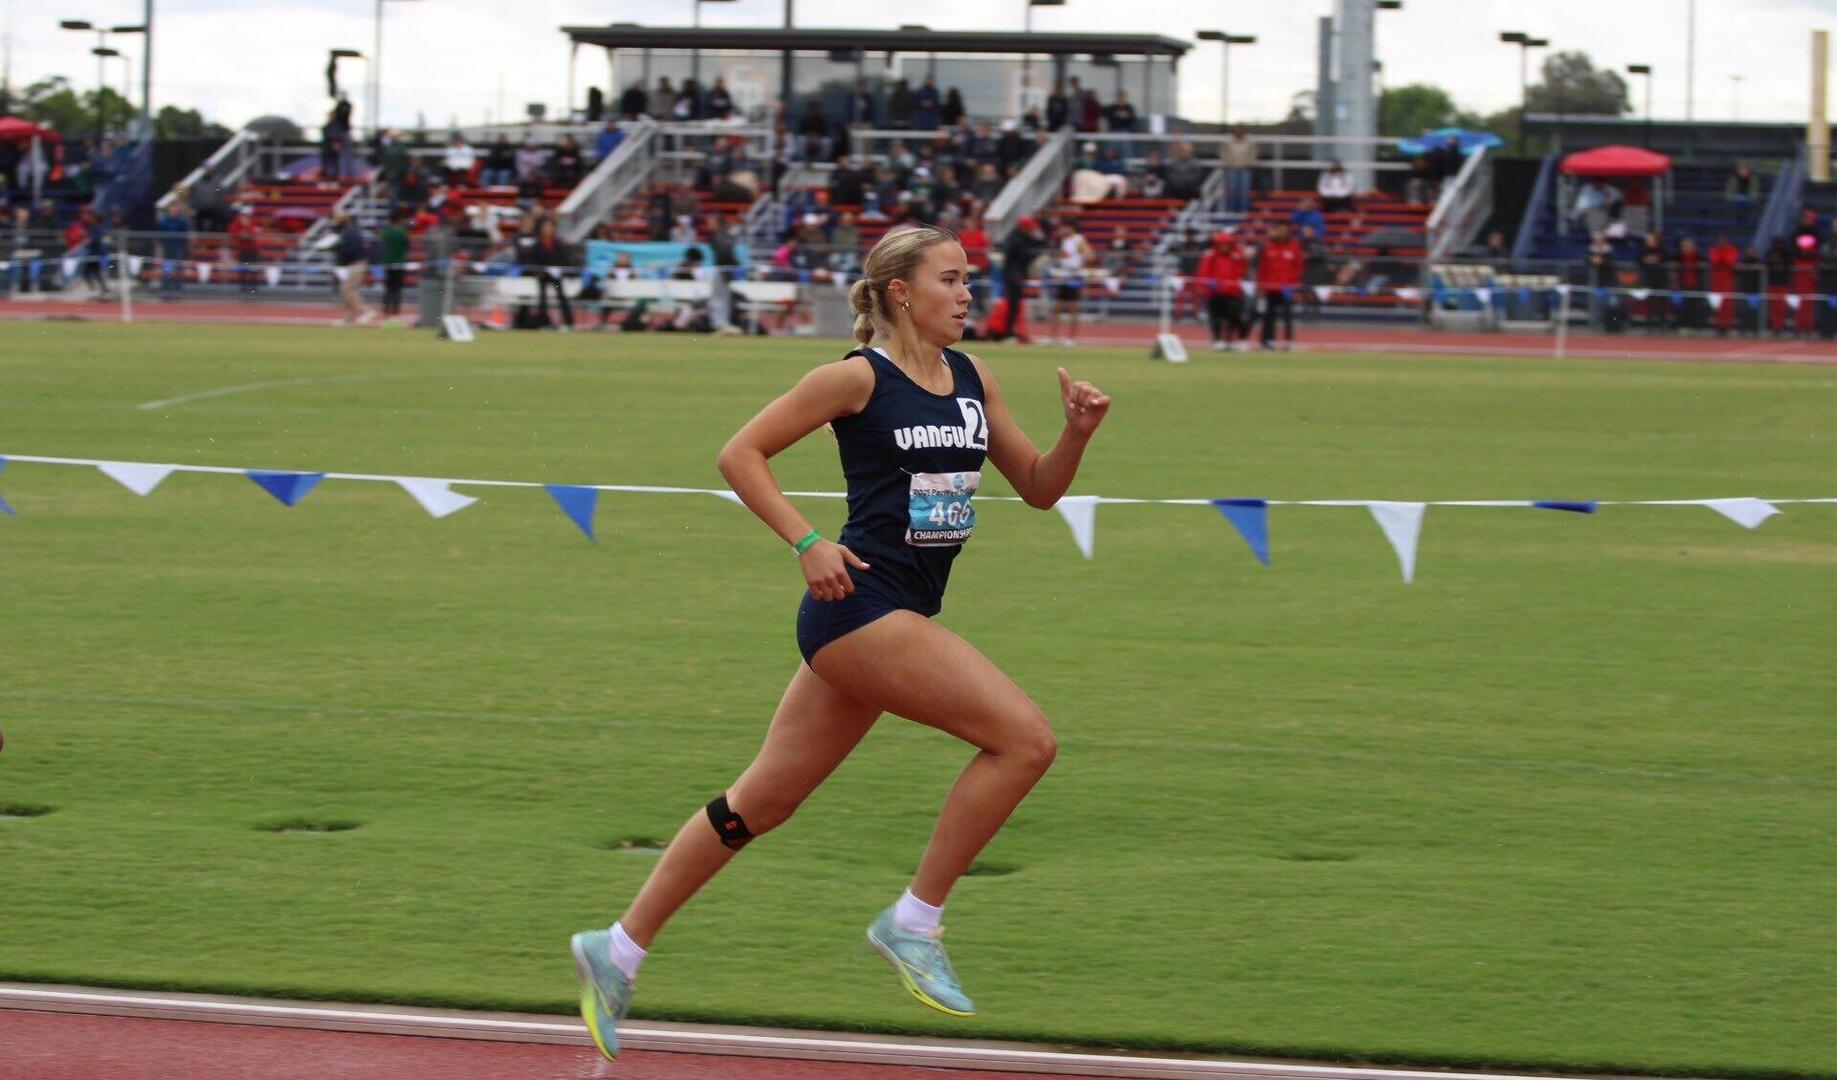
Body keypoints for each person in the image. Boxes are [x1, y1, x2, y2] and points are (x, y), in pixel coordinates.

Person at [568, 224, 1112, 1064]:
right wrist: (804, 539)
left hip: (897, 616)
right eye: (951, 279)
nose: (968, 293)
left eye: (969, 279)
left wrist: (1076, 432)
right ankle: (914, 921)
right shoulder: (855, 378)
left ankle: (618, 947)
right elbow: (738, 453)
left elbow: (1039, 489)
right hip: (857, 606)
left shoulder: (972, 378)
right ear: (901, 292)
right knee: (1024, 740)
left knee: (761, 803)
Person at [1196, 230, 1249, 351]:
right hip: (1215, 293)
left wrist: (1235, 288)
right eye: (1222, 244)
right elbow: (1203, 273)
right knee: (1215, 318)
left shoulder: (1236, 256)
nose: (1225, 246)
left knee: (1236, 318)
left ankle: (1237, 340)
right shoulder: (1210, 256)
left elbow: (1241, 272)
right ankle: (1218, 340)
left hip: (1232, 293)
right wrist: (1208, 286)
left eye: (1227, 244)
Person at [521, 215, 576, 330]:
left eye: (550, 227)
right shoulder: (538, 244)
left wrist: (568, 273)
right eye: (546, 227)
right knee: (543, 298)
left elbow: (564, 260)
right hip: (542, 276)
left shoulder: (557, 243)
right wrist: (538, 271)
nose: (548, 229)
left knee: (561, 295)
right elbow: (532, 260)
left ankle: (569, 322)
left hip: (555, 278)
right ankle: (543, 322)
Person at [1256, 220, 1304, 350]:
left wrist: (1294, 284)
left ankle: (1288, 341)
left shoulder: (1294, 246)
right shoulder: (1267, 246)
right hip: (1270, 288)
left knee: (1288, 316)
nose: (1281, 232)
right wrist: (1261, 286)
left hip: (1286, 288)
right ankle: (1268, 341)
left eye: (1284, 230)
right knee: (1268, 316)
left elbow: (1298, 267)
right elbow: (1262, 268)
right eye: (1279, 229)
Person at [1047, 221, 1093, 346]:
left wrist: (1079, 266)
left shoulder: (1078, 239)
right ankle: (1053, 337)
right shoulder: (1065, 241)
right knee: (1057, 308)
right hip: (1064, 276)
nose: (1061, 230)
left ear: (1070, 228)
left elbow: (1090, 255)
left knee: (1073, 308)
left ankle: (1071, 338)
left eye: (1063, 227)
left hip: (1074, 277)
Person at [331, 211, 374, 325]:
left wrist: (337, 249)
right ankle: (347, 318)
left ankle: (367, 311)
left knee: (348, 289)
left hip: (356, 264)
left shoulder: (349, 233)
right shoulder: (349, 231)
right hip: (353, 264)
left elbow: (351, 250)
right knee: (346, 289)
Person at [379, 209, 410, 320]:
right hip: (399, 263)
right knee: (397, 288)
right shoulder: (402, 232)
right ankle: (396, 311)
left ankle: (385, 309)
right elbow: (407, 245)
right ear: (398, 220)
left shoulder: (386, 232)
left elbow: (382, 243)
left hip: (388, 262)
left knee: (388, 288)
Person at [1708, 233, 1741, 336]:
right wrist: (1722, 260)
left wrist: (1722, 260)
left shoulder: (1732, 249)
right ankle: (1718, 325)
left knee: (1728, 303)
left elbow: (1730, 261)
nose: (1721, 242)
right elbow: (1714, 261)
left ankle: (1727, 325)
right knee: (1717, 303)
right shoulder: (1714, 249)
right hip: (1717, 279)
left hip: (1728, 279)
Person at [1222, 124, 1256, 212]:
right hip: (1232, 168)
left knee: (1245, 190)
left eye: (1241, 129)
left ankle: (1244, 209)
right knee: (1231, 189)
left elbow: (1253, 153)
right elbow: (1223, 153)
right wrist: (1229, 163)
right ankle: (1231, 209)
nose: (1239, 131)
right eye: (1237, 129)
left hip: (1245, 168)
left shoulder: (1250, 141)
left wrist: (1249, 163)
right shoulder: (1228, 141)